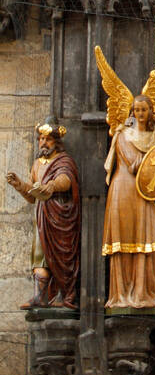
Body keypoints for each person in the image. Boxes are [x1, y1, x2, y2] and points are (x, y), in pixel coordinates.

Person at [102, 89, 155, 309]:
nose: (140, 113)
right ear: (132, 112)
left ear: (151, 112)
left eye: (144, 110)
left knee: (147, 239)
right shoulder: (124, 135)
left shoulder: (152, 136)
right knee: (124, 238)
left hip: (144, 192)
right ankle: (122, 295)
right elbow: (136, 164)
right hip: (125, 189)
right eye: (137, 110)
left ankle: (146, 292)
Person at [7, 117, 80, 308]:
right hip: (41, 215)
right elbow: (32, 196)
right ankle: (39, 296)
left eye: (48, 139)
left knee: (61, 256)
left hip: (59, 215)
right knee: (40, 255)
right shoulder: (37, 164)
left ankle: (65, 296)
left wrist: (52, 185)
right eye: (41, 138)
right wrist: (20, 186)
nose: (43, 142)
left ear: (56, 141)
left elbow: (66, 179)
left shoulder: (63, 161)